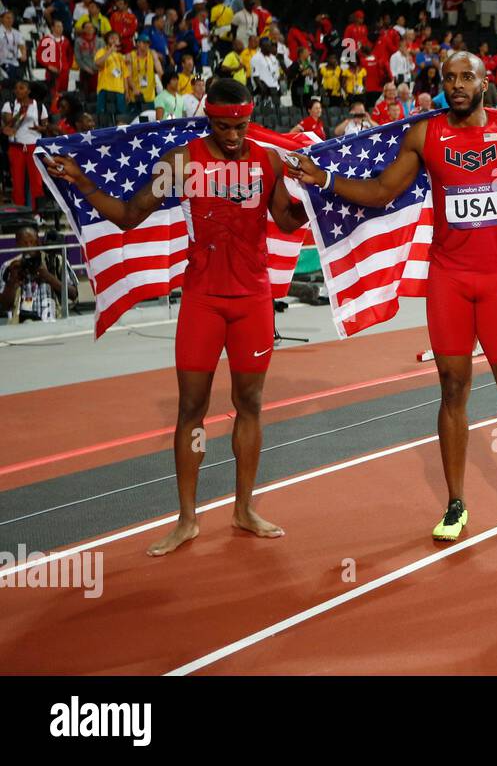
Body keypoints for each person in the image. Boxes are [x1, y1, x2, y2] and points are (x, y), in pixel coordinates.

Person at [287, 50, 497, 542]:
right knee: (453, 390)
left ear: (485, 83)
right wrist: (326, 179)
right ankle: (456, 502)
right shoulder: (424, 134)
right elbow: (380, 191)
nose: (458, 85)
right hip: (450, 283)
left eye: (467, 77)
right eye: (450, 78)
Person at [45, 78, 310, 557]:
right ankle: (187, 519)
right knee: (192, 409)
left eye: (242, 126)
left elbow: (287, 221)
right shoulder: (183, 163)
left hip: (252, 298)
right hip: (203, 300)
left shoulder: (267, 160)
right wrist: (83, 181)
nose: (233, 136)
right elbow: (128, 215)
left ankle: (243, 508)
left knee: (250, 403)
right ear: (207, 117)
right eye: (224, 126)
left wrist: (309, 198)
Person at [0, 226, 78, 323]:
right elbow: (4, 306)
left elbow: (73, 294)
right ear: (17, 244)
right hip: (20, 327)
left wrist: (48, 276)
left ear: (38, 242)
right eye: (24, 243)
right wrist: (12, 281)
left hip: (53, 324)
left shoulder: (56, 261)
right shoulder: (9, 266)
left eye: (32, 242)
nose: (29, 247)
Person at [2, 81, 48, 206]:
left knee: (36, 181)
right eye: (15, 88)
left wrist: (40, 128)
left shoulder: (39, 106)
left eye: (21, 88)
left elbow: (46, 126)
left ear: (28, 91)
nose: (17, 90)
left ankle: (38, 213)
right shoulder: (10, 105)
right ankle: (20, 214)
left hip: (33, 146)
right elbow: (8, 124)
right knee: (17, 182)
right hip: (16, 148)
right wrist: (21, 113)